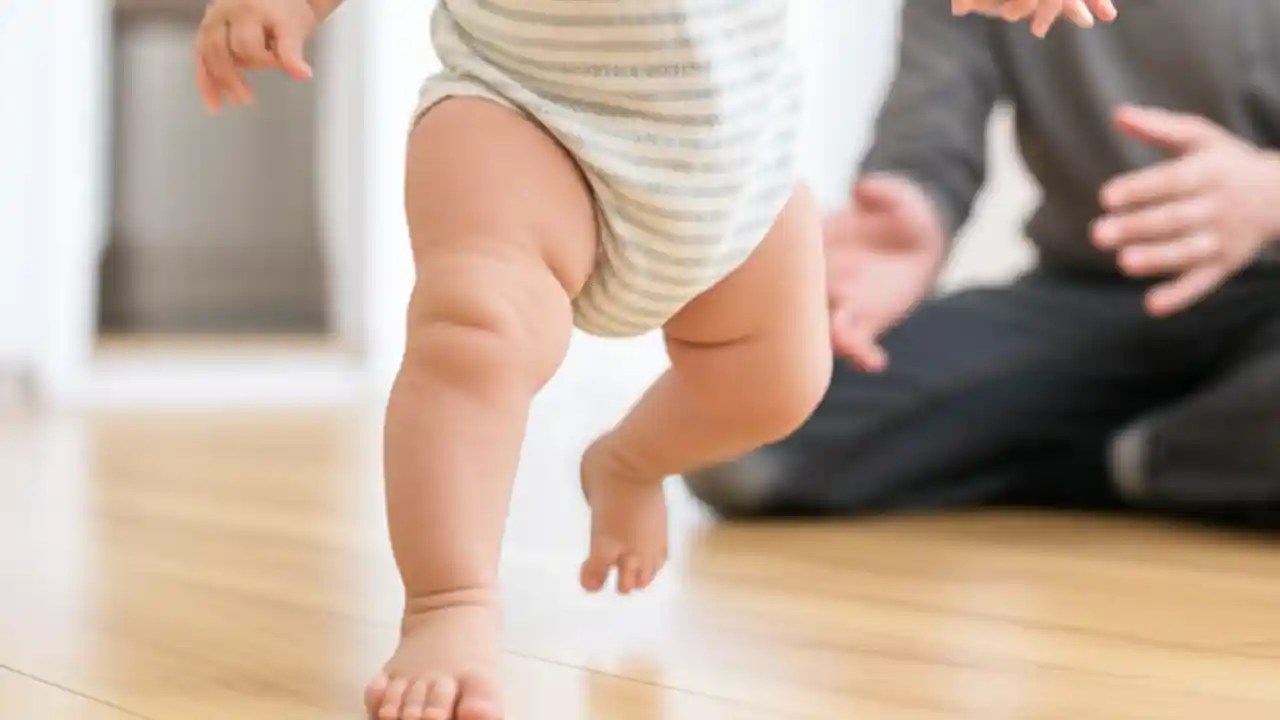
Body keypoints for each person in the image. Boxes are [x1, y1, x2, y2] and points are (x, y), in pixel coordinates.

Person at [189, 0, 1117, 718]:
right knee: (477, 329)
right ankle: (450, 602)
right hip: (525, 115)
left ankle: (628, 459)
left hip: (727, 161)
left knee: (781, 383)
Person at [686, 0, 1280, 529]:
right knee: (745, 434)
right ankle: (1169, 460)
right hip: (1083, 302)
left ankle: (1116, 456)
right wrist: (910, 217)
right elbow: (930, 133)